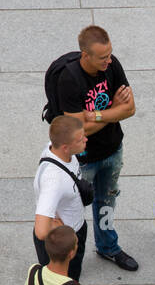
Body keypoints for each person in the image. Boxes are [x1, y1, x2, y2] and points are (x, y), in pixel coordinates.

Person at [55, 24, 138, 272]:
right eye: (102, 57)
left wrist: (96, 116)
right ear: (85, 55)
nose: (108, 61)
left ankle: (108, 247)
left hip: (112, 151)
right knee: (72, 208)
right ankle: (67, 255)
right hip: (82, 159)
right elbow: (75, 130)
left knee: (107, 202)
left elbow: (130, 109)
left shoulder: (113, 65)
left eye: (109, 54)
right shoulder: (68, 79)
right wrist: (114, 110)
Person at [26, 115, 89, 285]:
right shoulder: (53, 180)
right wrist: (59, 228)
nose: (85, 139)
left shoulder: (59, 151)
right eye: (80, 138)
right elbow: (41, 229)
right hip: (63, 243)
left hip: (73, 234)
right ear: (65, 147)